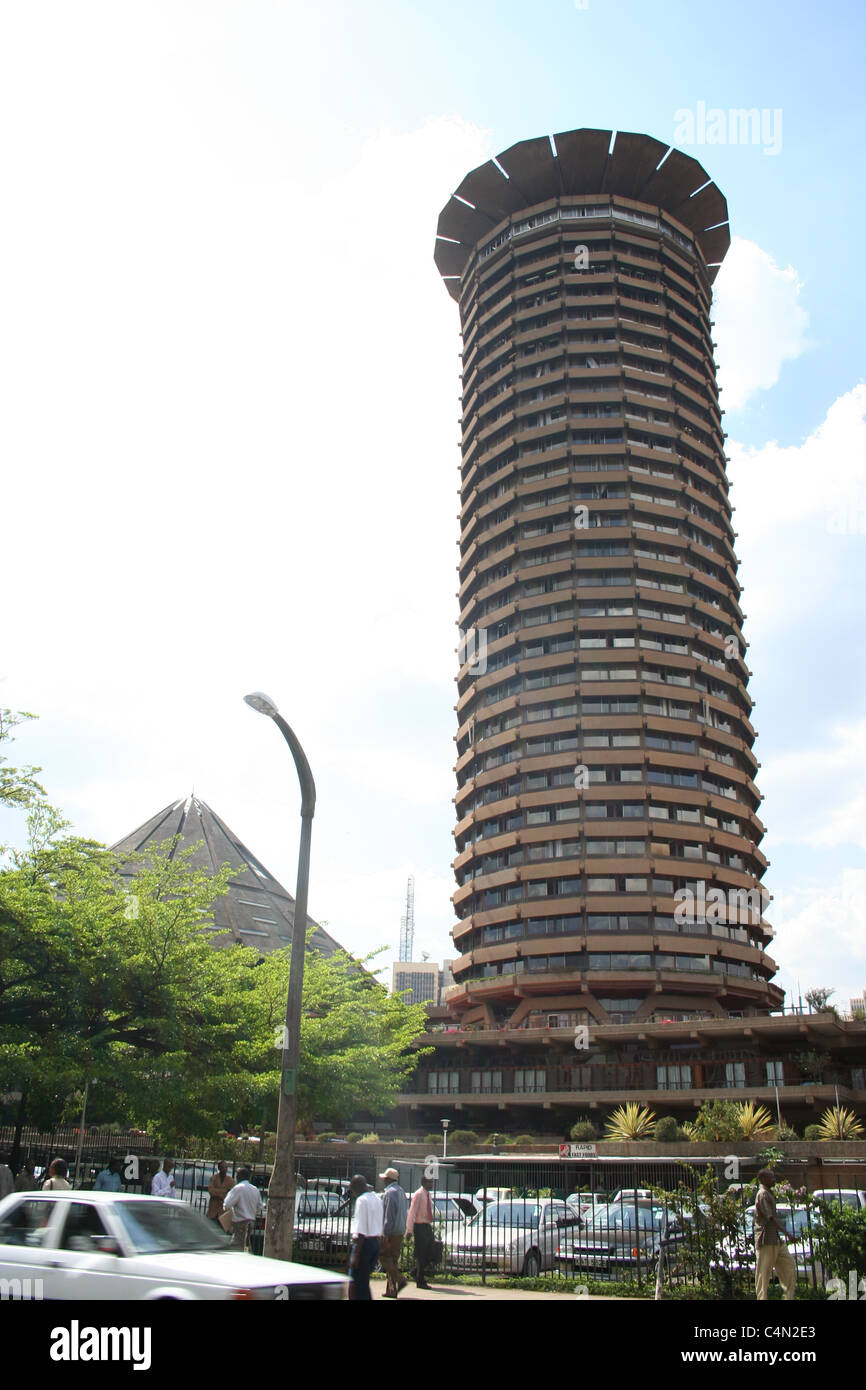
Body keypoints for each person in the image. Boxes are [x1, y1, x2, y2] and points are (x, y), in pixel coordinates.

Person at [754, 1168, 796, 1301]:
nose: (774, 1180)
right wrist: (787, 1233)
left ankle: (788, 1297)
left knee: (789, 1267)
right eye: (771, 1177)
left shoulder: (769, 1193)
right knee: (764, 1274)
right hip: (766, 1240)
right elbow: (770, 1218)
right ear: (763, 1179)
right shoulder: (762, 1194)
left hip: (776, 1239)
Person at [348, 1174, 383, 1301]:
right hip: (375, 1243)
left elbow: (361, 1230)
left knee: (355, 1283)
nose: (352, 1193)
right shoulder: (377, 1199)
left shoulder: (361, 1200)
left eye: (352, 1189)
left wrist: (356, 1255)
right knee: (363, 1282)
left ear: (356, 1187)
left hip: (363, 1244)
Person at [379, 1167, 408, 1299]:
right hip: (400, 1231)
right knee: (393, 1261)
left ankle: (400, 1279)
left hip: (391, 1232)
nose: (383, 1180)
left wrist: (385, 1235)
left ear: (389, 1179)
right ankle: (391, 1290)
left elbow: (388, 1216)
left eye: (385, 1178)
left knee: (384, 1258)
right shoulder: (401, 1191)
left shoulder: (390, 1193)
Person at [222, 1167, 262, 1250]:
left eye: (237, 1175)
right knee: (245, 1245)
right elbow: (259, 1207)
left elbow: (227, 1205)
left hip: (240, 1222)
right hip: (251, 1221)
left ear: (239, 1176)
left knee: (236, 1246)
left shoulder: (238, 1188)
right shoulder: (255, 1189)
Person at [407, 1176, 435, 1290]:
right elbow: (412, 1212)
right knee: (421, 1254)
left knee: (432, 1251)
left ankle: (415, 1271)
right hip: (419, 1226)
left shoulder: (428, 1194)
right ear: (423, 1182)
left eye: (432, 1182)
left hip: (426, 1225)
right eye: (429, 1182)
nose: (431, 1184)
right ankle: (420, 1280)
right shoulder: (418, 1194)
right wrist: (409, 1230)